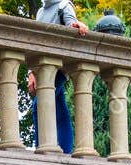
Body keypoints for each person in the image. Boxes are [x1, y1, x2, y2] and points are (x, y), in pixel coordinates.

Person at [28, 0, 88, 154]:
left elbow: (71, 25)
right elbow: (34, 44)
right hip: (41, 69)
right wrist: (31, 73)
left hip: (58, 68)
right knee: (59, 108)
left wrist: (76, 25)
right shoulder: (41, 12)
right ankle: (66, 151)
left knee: (39, 105)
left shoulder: (64, 5)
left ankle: (42, 149)